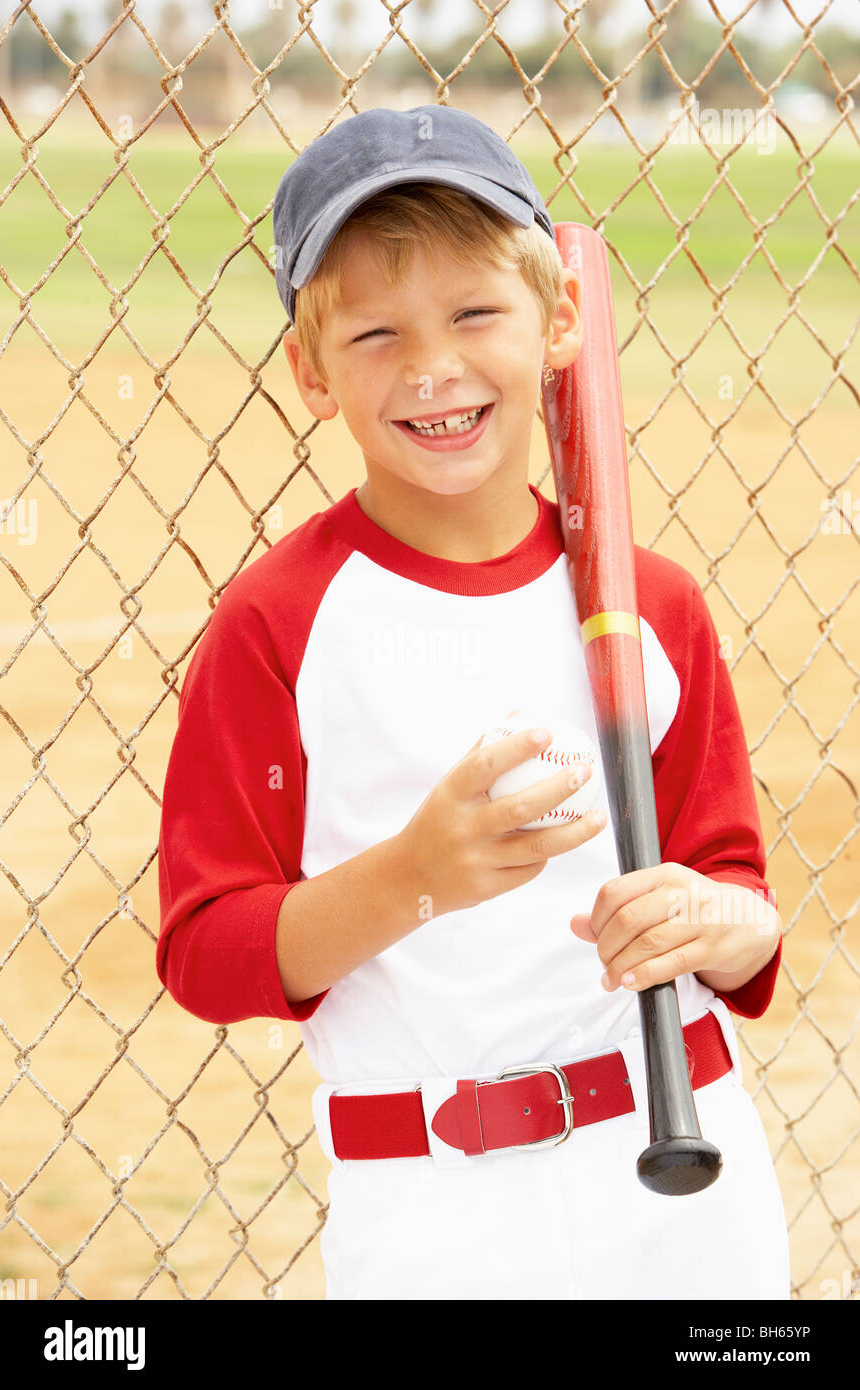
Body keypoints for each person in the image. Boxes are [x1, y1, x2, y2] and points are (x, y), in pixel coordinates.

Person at [156, 106, 791, 1300]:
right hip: (432, 1206)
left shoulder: (650, 605)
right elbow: (204, 949)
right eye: (377, 332)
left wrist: (710, 921)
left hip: (685, 1173)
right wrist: (414, 876)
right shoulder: (278, 624)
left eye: (474, 313)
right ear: (308, 367)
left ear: (559, 323)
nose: (432, 366)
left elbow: (744, 908)